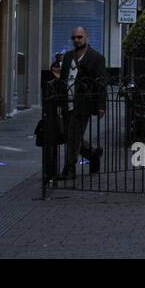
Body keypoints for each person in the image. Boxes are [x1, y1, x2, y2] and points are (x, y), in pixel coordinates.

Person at [59, 27, 109, 176]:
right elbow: (63, 79)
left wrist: (101, 106)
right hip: (67, 102)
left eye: (79, 37)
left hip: (83, 103)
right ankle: (92, 154)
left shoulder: (96, 57)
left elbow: (101, 83)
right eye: (74, 38)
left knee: (73, 135)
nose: (76, 40)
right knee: (68, 135)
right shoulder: (68, 56)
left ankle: (69, 167)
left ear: (87, 37)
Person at [38, 56, 68, 184]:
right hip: (51, 120)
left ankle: (51, 173)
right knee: (50, 146)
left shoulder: (62, 84)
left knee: (54, 146)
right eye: (56, 69)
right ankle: (50, 173)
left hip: (57, 119)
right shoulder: (50, 84)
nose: (57, 72)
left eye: (59, 70)